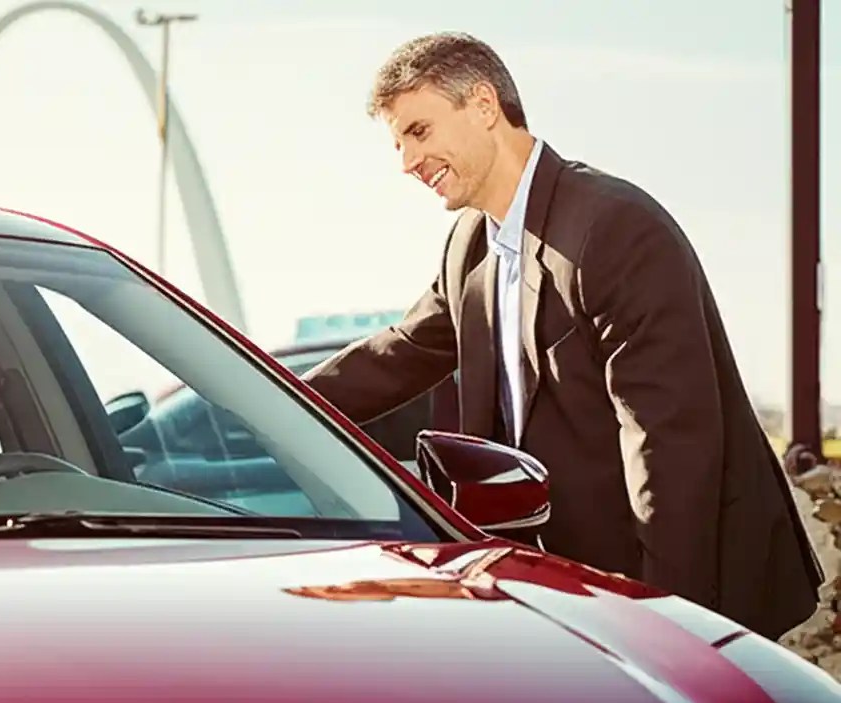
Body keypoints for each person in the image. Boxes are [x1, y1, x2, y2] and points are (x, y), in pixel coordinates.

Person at [301, 31, 823, 640]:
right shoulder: (472, 244)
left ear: (484, 105)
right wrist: (257, 397)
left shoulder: (614, 229)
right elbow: (403, 351)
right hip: (554, 590)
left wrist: (668, 617)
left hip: (664, 588)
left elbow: (669, 444)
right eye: (398, 143)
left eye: (419, 132)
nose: (406, 162)